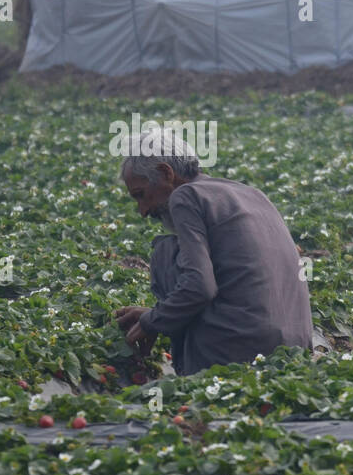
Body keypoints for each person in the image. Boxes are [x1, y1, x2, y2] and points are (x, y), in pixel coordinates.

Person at [114, 129, 314, 375]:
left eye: (141, 195)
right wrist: (159, 314)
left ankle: (192, 370)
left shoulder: (185, 196)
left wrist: (152, 322)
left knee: (166, 251)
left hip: (236, 352)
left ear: (166, 173)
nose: (143, 211)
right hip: (294, 350)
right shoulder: (251, 193)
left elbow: (200, 286)